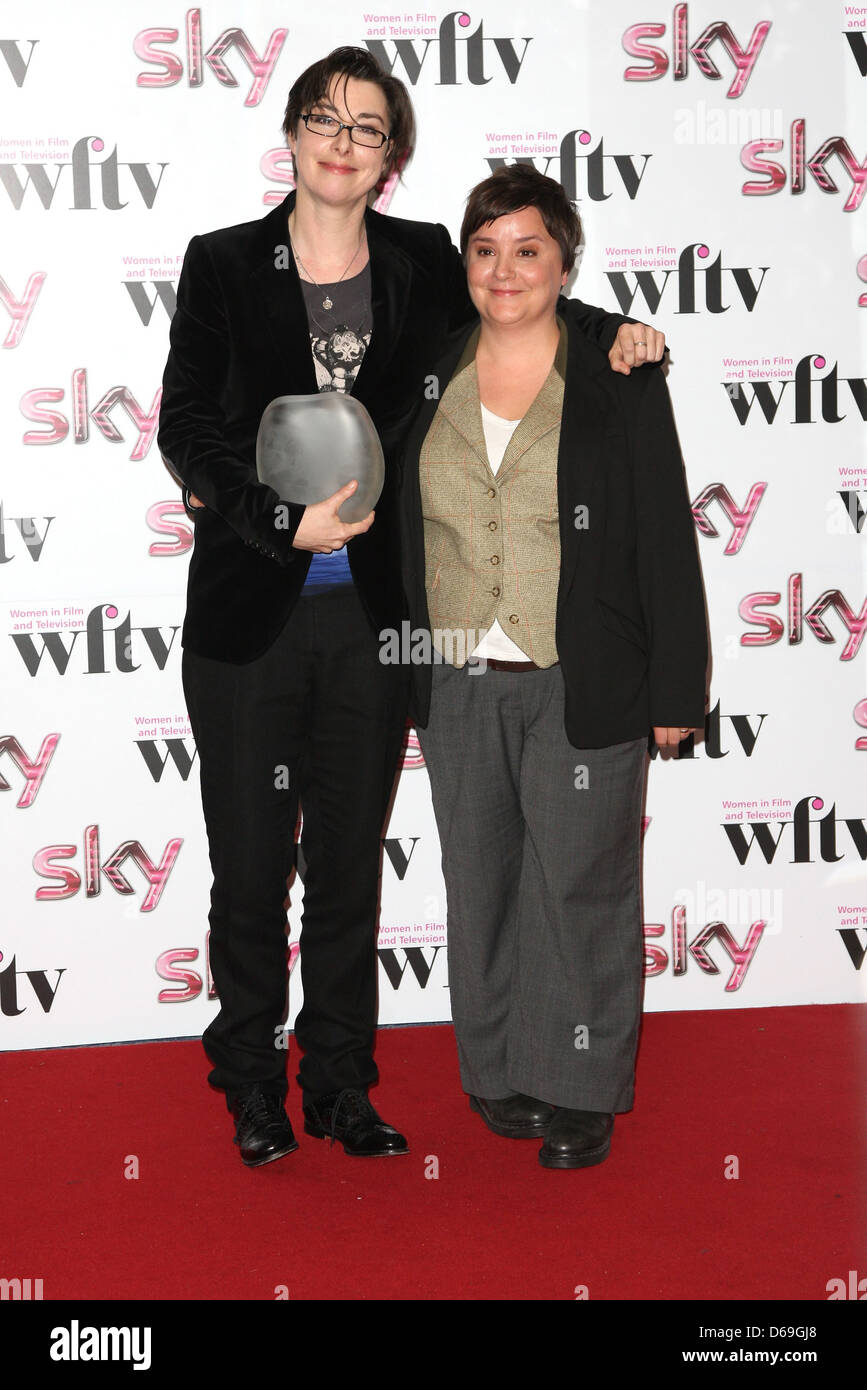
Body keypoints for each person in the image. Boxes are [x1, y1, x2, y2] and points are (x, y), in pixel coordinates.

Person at [158, 47, 665, 1168]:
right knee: (251, 870)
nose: (344, 142)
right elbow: (184, 424)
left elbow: (515, 307)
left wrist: (611, 332)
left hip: (380, 626)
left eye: (369, 127)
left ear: (394, 158)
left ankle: (341, 1083)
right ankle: (251, 1081)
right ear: (291, 136)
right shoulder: (222, 263)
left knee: (348, 864)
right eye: (325, 121)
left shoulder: (425, 260)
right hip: (251, 620)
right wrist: (271, 521)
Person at [399, 164, 708, 1169]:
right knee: (479, 882)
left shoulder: (616, 372)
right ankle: (495, 1073)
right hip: (455, 675)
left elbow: (664, 531)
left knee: (580, 887)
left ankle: (577, 1086)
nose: (505, 268)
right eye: (486, 249)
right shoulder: (426, 370)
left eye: (527, 248)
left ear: (563, 260)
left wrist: (674, 689)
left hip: (585, 672)